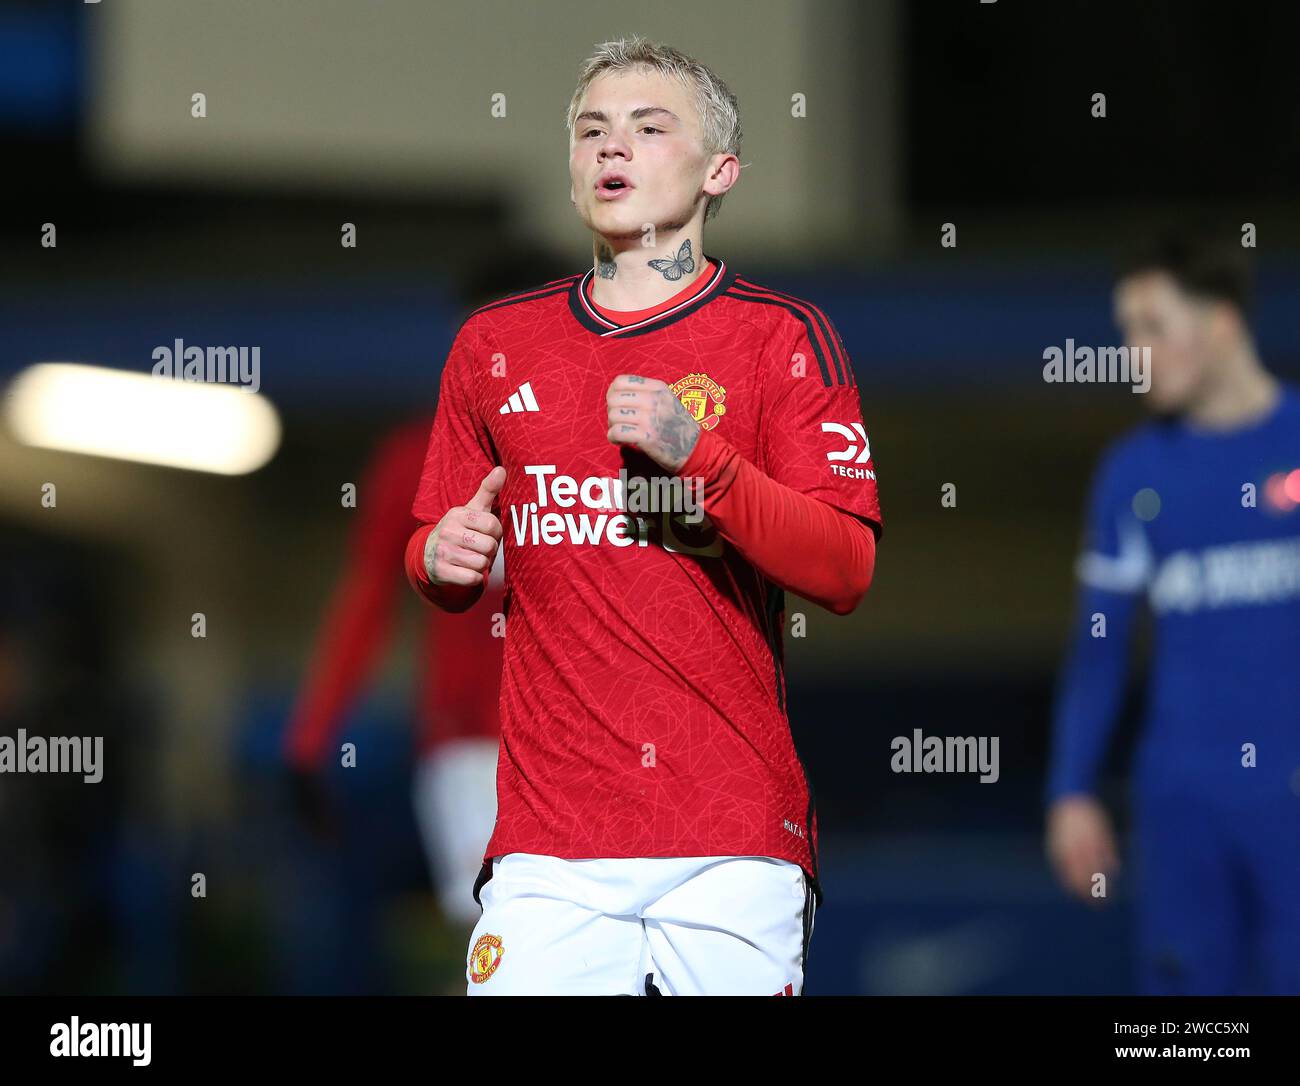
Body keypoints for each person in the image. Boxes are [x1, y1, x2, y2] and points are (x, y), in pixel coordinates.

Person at [406, 35, 882, 995]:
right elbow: (433, 548)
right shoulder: (495, 346)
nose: (610, 149)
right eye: (591, 131)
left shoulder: (781, 338)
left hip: (731, 836)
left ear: (720, 171)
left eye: (647, 128)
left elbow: (843, 571)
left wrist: (698, 456)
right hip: (549, 840)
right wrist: (438, 558)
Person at [1045, 229, 1300, 994]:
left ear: (1221, 322)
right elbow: (1099, 648)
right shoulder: (1134, 474)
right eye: (1125, 332)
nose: (1132, 352)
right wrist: (1071, 790)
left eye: (1152, 328)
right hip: (1181, 808)